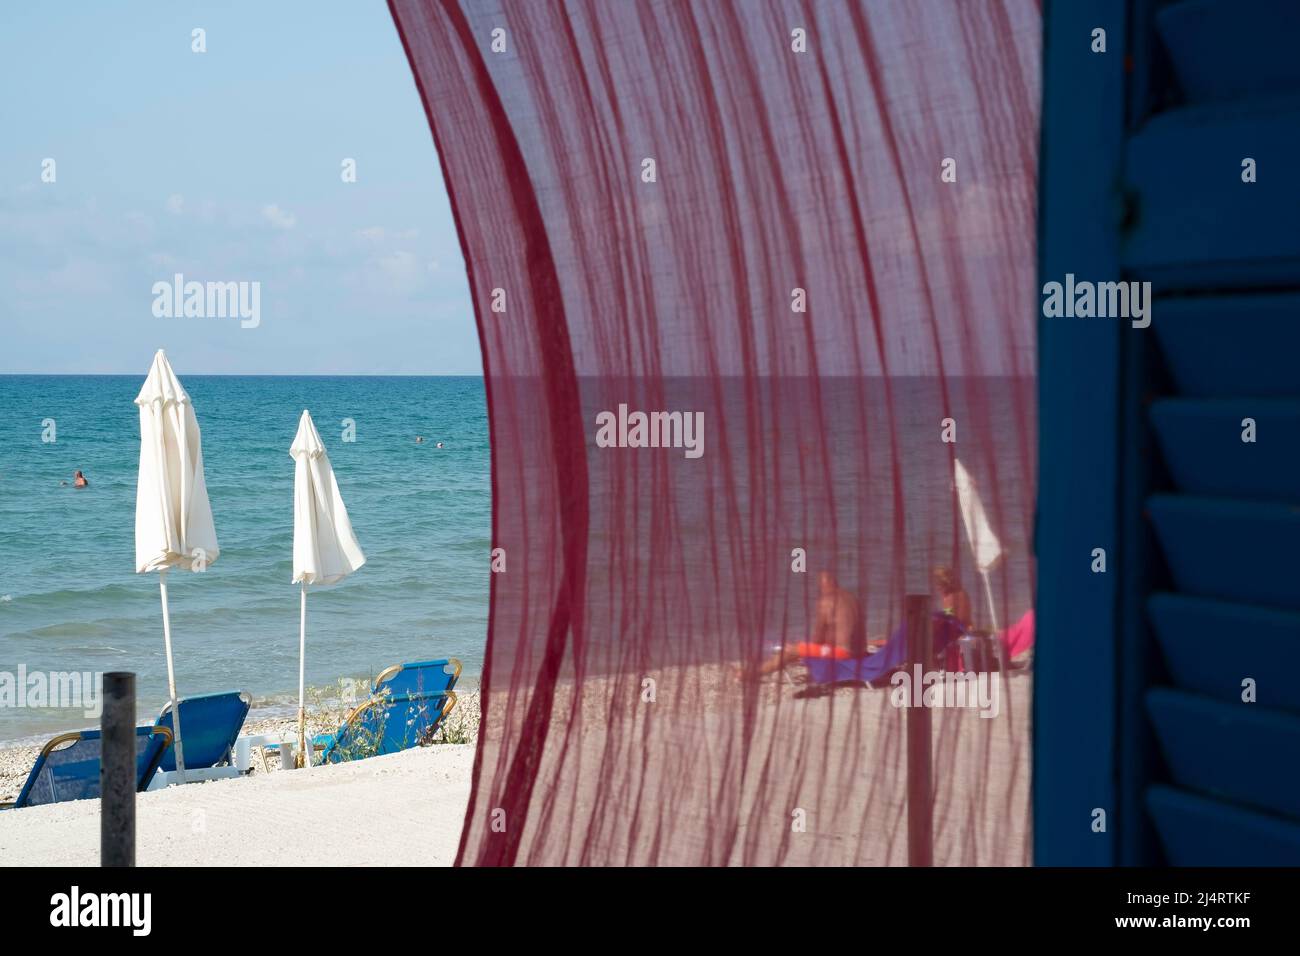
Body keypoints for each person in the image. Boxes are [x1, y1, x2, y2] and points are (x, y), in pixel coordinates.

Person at [748, 571, 865, 677]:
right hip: (859, 652)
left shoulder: (826, 601)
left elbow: (818, 639)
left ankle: (755, 673)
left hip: (842, 654)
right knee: (800, 648)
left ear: (821, 586)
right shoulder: (852, 598)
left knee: (790, 650)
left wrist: (800, 649)